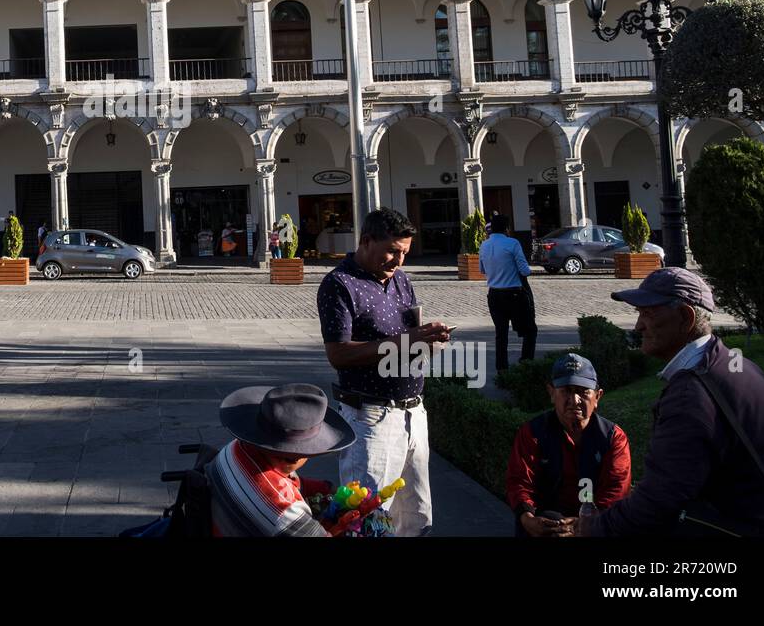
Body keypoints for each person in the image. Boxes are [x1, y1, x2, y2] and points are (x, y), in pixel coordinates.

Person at [577, 268, 764, 536]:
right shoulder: (735, 364)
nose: (639, 326)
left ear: (686, 317)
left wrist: (596, 528)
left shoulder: (691, 394)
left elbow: (660, 499)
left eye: (648, 313)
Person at [317, 206, 451, 536]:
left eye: (404, 253)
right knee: (366, 520)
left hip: (413, 414)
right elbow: (338, 354)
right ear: (365, 241)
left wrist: (428, 342)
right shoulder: (340, 284)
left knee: (417, 514)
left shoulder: (401, 280)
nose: (398, 261)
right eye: (392, 251)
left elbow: (408, 337)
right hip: (370, 418)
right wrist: (402, 342)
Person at [204, 383, 355, 537]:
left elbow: (287, 481)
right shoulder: (286, 511)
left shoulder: (239, 446)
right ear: (296, 458)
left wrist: (326, 488)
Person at [506, 353, 632, 537]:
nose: (574, 400)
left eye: (583, 391)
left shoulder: (613, 437)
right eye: (566, 391)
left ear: (598, 396)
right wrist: (527, 518)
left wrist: (584, 524)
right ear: (551, 393)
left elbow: (616, 490)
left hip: (596, 525)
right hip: (545, 524)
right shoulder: (532, 432)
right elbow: (520, 482)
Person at [479, 214, 536, 370]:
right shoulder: (512, 243)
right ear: (507, 228)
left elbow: (481, 269)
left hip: (494, 295)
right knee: (530, 330)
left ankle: (502, 368)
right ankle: (526, 363)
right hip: (514, 294)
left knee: (501, 334)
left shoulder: (484, 245)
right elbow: (525, 271)